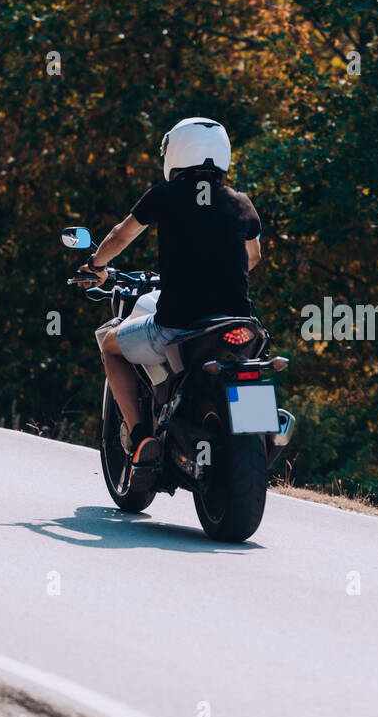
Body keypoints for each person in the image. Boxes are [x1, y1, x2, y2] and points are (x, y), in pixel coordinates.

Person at [77, 118, 262, 465]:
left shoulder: (166, 194)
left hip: (178, 326)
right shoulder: (241, 202)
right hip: (238, 326)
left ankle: (140, 437)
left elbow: (121, 235)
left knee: (109, 344)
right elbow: (254, 256)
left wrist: (96, 266)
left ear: (176, 152)